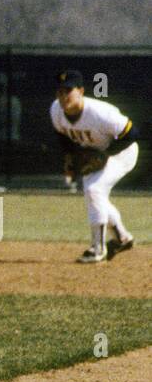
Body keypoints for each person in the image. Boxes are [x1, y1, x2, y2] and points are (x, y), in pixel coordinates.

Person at [50, 69, 140, 263]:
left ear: (81, 91)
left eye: (68, 90)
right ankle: (122, 238)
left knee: (94, 189)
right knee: (94, 195)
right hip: (97, 153)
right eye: (59, 91)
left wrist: (105, 154)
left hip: (122, 152)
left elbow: (132, 133)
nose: (63, 96)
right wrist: (69, 161)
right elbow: (63, 136)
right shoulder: (56, 111)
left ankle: (98, 249)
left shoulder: (100, 113)